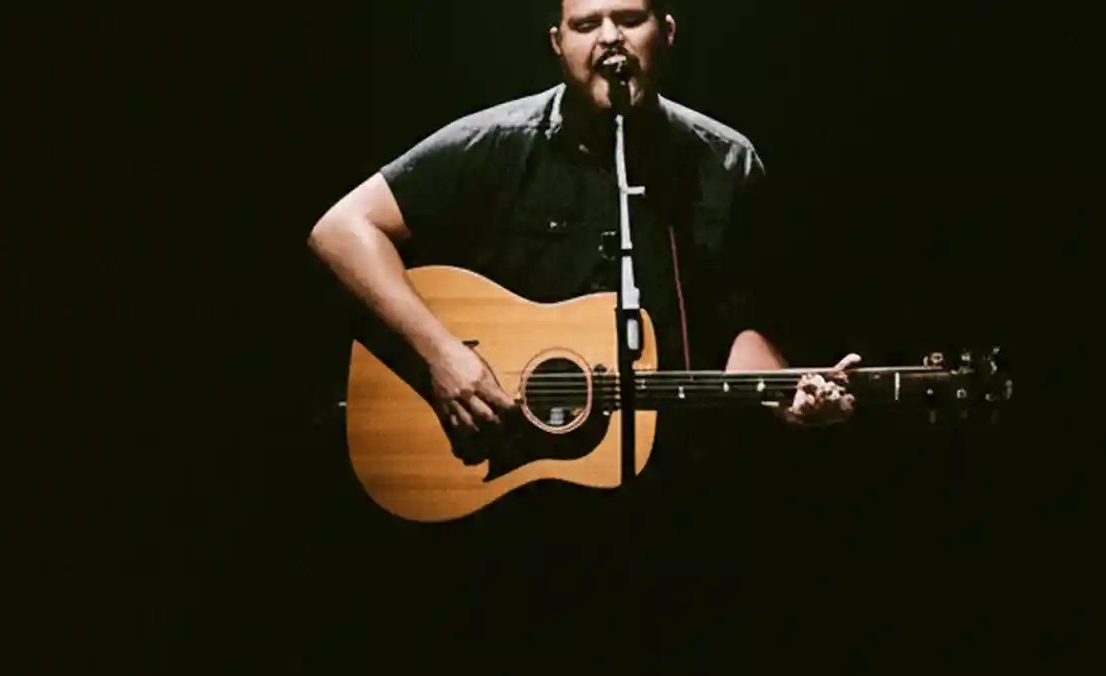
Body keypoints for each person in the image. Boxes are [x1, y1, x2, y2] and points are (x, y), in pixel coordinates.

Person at [308, 0, 861, 462]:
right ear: (557, 43)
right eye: (586, 25)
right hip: (516, 482)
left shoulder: (724, 162)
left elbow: (746, 325)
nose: (610, 39)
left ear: (666, 34)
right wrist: (442, 356)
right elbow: (341, 229)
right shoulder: (498, 144)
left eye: (629, 19)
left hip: (677, 483)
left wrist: (781, 399)